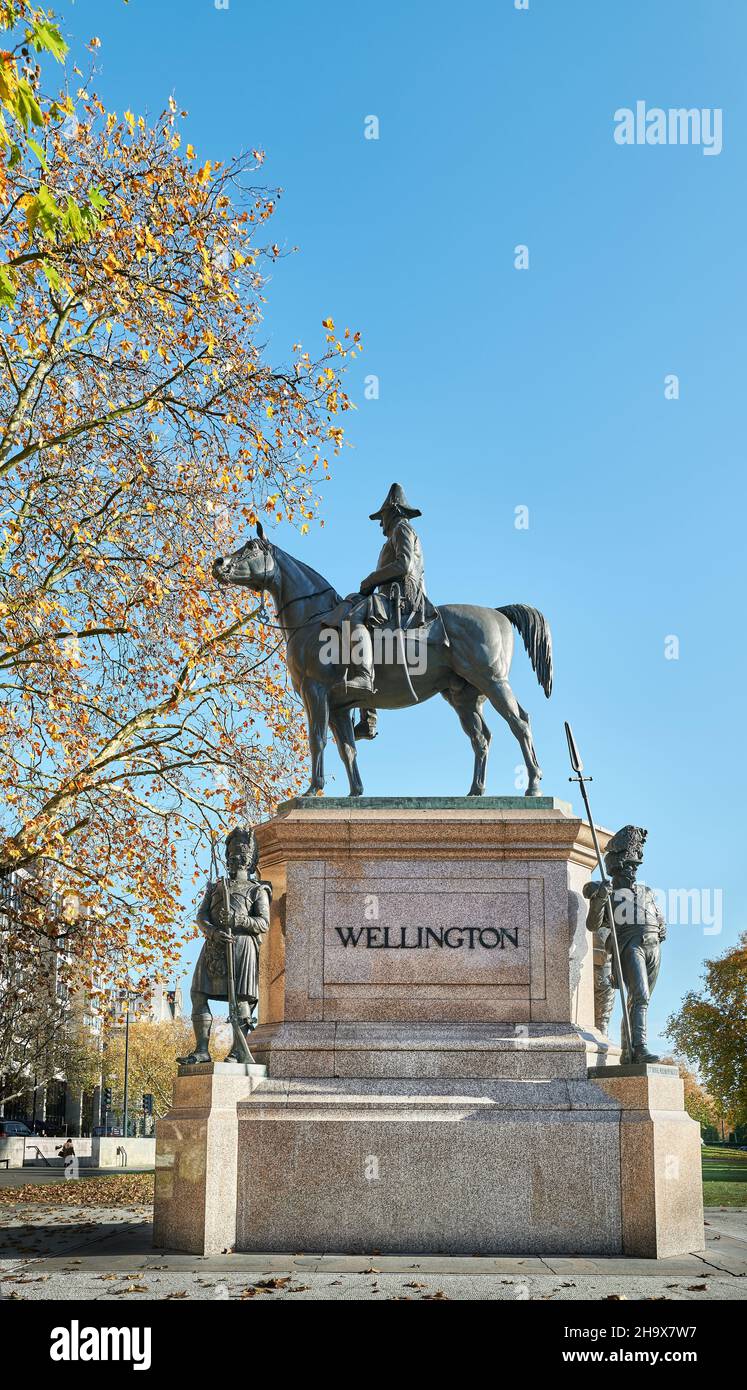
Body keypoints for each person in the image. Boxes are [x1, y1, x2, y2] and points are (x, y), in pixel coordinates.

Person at [342, 482, 436, 740]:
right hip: (391, 594)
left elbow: (404, 564)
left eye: (381, 516)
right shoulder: (396, 531)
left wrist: (372, 579)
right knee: (352, 605)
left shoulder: (402, 528)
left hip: (403, 597)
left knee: (354, 617)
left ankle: (363, 676)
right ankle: (367, 719)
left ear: (392, 511)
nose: (380, 523)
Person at [178, 826, 271, 1065]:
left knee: (240, 1000)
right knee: (198, 994)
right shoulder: (216, 887)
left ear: (249, 859)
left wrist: (237, 920)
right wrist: (211, 931)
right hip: (214, 946)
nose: (235, 858)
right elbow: (201, 917)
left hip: (241, 947)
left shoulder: (257, 890)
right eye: (231, 853)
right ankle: (202, 1050)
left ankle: (238, 1050)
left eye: (241, 853)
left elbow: (263, 923)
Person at [584, 824, 666, 1064]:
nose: (633, 871)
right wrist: (599, 898)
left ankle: (628, 1052)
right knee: (639, 997)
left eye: (635, 866)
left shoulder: (646, 891)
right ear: (616, 868)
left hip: (654, 947)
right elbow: (592, 924)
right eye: (629, 866)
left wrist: (661, 923)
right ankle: (639, 1048)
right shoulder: (607, 894)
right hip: (630, 945)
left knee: (640, 1000)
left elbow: (656, 914)